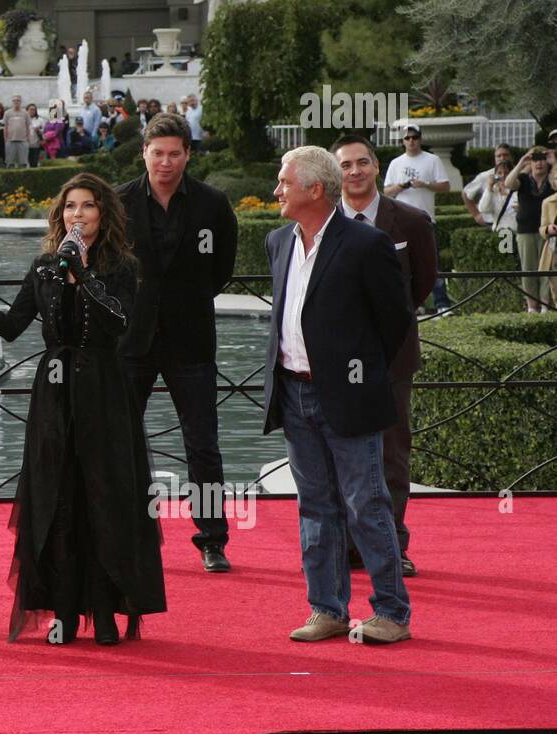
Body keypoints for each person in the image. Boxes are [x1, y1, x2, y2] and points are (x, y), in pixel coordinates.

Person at [0, 173, 166, 644]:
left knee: (105, 496)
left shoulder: (122, 266)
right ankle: (64, 610)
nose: (78, 215)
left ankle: (108, 609)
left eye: (88, 206)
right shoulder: (44, 265)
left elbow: (120, 325)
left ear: (103, 214)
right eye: (70, 206)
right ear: (60, 214)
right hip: (54, 393)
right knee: (59, 496)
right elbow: (13, 326)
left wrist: (83, 275)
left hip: (105, 392)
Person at [264, 146, 414, 644]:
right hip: (294, 394)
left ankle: (391, 613)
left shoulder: (366, 244)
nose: (277, 190)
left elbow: (395, 323)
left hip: (348, 398)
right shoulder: (278, 241)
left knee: (366, 506)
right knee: (315, 507)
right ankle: (326, 609)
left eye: (285, 182)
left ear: (314, 189)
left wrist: (357, 377)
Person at [117, 112, 238, 572]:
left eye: (174, 153)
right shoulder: (119, 201)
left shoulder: (212, 204)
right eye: (157, 153)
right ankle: (129, 532)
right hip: (131, 339)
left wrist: (187, 301)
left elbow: (221, 269)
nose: (165, 162)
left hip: (191, 338)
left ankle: (212, 538)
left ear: (188, 154)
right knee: (123, 440)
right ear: (144, 153)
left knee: (203, 443)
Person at [333, 134, 438, 577]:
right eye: (345, 165)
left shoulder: (412, 222)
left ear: (377, 167)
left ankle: (393, 543)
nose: (354, 171)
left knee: (392, 452)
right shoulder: (320, 221)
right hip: (336, 357)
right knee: (339, 454)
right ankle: (348, 546)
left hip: (393, 356)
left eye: (362, 163)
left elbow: (423, 285)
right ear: (334, 173)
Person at [383, 125, 451, 313]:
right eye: (407, 138)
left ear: (420, 139)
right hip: (401, 221)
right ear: (403, 141)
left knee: (431, 262)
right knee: (403, 264)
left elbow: (445, 186)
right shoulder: (396, 163)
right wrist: (401, 187)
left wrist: (426, 185)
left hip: (426, 219)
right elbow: (387, 190)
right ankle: (413, 304)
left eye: (414, 137)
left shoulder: (432, 160)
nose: (411, 141)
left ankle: (442, 304)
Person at [503, 146, 554, 312]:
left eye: (542, 159)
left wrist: (554, 161)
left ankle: (546, 304)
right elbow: (508, 183)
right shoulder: (524, 179)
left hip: (547, 231)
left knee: (547, 268)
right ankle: (532, 307)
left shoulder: (553, 179)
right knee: (528, 269)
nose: (539, 163)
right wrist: (521, 162)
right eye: (535, 159)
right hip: (525, 230)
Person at [462, 145, 515, 226]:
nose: (502, 158)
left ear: (511, 157)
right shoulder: (485, 176)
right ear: (495, 158)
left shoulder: (519, 173)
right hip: (493, 222)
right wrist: (476, 215)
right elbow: (465, 193)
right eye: (499, 156)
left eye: (505, 155)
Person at [3, 95, 30, 167]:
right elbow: (5, 127)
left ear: (20, 102)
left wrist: (28, 138)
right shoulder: (7, 113)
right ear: (12, 102)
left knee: (23, 163)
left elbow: (28, 127)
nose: (16, 102)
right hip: (10, 140)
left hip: (23, 141)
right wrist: (5, 139)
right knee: (10, 163)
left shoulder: (25, 113)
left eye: (18, 100)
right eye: (14, 100)